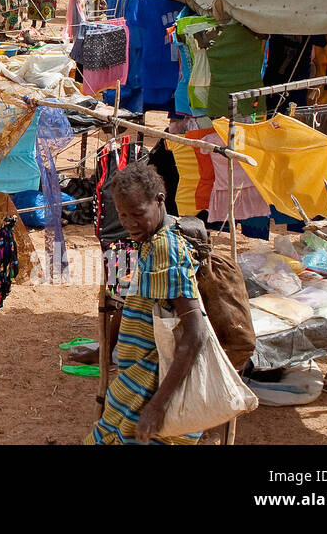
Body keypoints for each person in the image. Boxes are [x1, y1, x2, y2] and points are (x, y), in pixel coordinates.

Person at [87, 162, 206, 445]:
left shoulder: (166, 248)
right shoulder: (151, 239)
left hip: (153, 386)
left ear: (159, 200)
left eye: (137, 214)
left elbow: (195, 333)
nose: (129, 223)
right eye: (123, 215)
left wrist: (157, 406)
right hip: (135, 382)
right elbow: (131, 305)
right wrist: (105, 350)